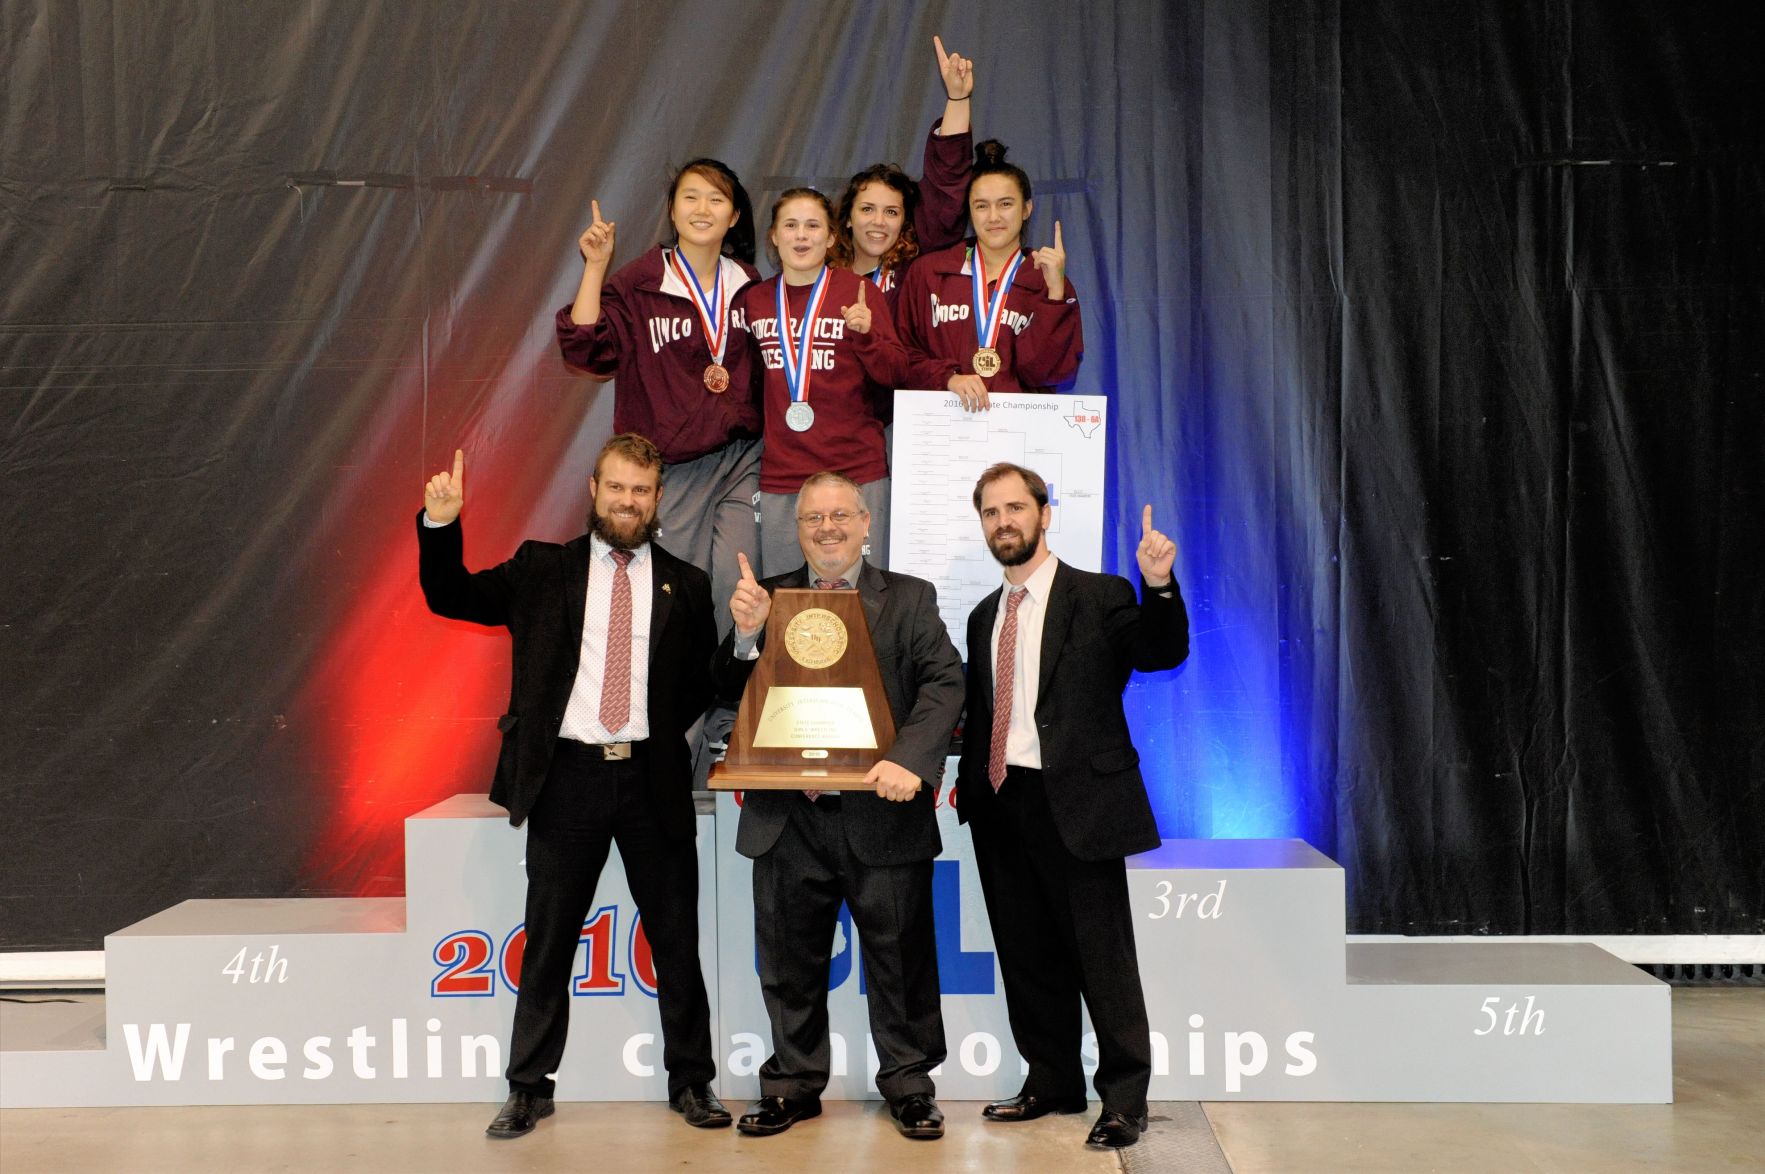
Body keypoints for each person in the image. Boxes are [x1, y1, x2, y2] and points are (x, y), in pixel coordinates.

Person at [416, 434, 728, 1139]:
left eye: (641, 490)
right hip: (567, 780)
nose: (628, 501)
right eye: (617, 487)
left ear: (657, 499)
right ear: (593, 489)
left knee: (676, 942)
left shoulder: (689, 583)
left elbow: (700, 690)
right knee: (550, 941)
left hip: (652, 779)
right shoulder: (540, 569)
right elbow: (450, 595)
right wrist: (441, 524)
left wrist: (741, 640)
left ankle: (693, 1083)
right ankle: (529, 1088)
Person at [713, 472, 964, 1141]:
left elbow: (945, 681)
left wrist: (909, 761)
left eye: (839, 516)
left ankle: (909, 1084)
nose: (826, 529)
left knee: (901, 961)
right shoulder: (765, 598)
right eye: (811, 519)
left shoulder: (909, 599)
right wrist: (744, 638)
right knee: (788, 960)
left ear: (864, 523)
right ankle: (792, 1085)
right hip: (785, 817)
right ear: (795, 530)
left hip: (881, 812)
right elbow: (722, 694)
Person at [955, 463, 1187, 1151]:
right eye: (991, 512)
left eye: (1015, 508)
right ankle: (1050, 1080)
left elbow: (1161, 651)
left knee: (1101, 961)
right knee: (1026, 957)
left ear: (1044, 514)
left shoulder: (1100, 594)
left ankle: (1123, 1100)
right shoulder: (980, 616)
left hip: (1079, 803)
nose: (1004, 521)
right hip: (1001, 802)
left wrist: (1158, 586)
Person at [556, 159, 763, 618]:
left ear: (734, 216)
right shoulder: (640, 282)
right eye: (690, 197)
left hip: (740, 458)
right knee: (676, 594)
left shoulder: (750, 283)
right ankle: (669, 690)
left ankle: (728, 689)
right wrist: (595, 267)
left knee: (738, 583)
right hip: (673, 467)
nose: (702, 208)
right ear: (672, 211)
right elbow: (586, 352)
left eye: (716, 198)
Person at [732, 189, 913, 575]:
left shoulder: (860, 293)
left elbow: (897, 372)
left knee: (865, 601)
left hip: (856, 471)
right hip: (786, 474)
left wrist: (866, 336)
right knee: (789, 602)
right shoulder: (757, 300)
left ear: (831, 237)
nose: (802, 236)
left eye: (813, 226)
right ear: (774, 236)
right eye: (791, 226)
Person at [897, 141, 1082, 411]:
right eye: (982, 206)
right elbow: (902, 358)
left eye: (1005, 204)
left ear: (1027, 208)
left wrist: (1054, 297)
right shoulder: (929, 273)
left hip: (1018, 436)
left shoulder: (1046, 279)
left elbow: (1048, 374)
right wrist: (947, 378)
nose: (994, 217)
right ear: (970, 211)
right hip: (943, 431)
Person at [829, 35, 977, 314]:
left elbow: (946, 183)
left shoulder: (915, 273)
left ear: (906, 222)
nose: (878, 222)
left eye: (892, 212)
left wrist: (957, 99)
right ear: (848, 218)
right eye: (867, 209)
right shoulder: (825, 276)